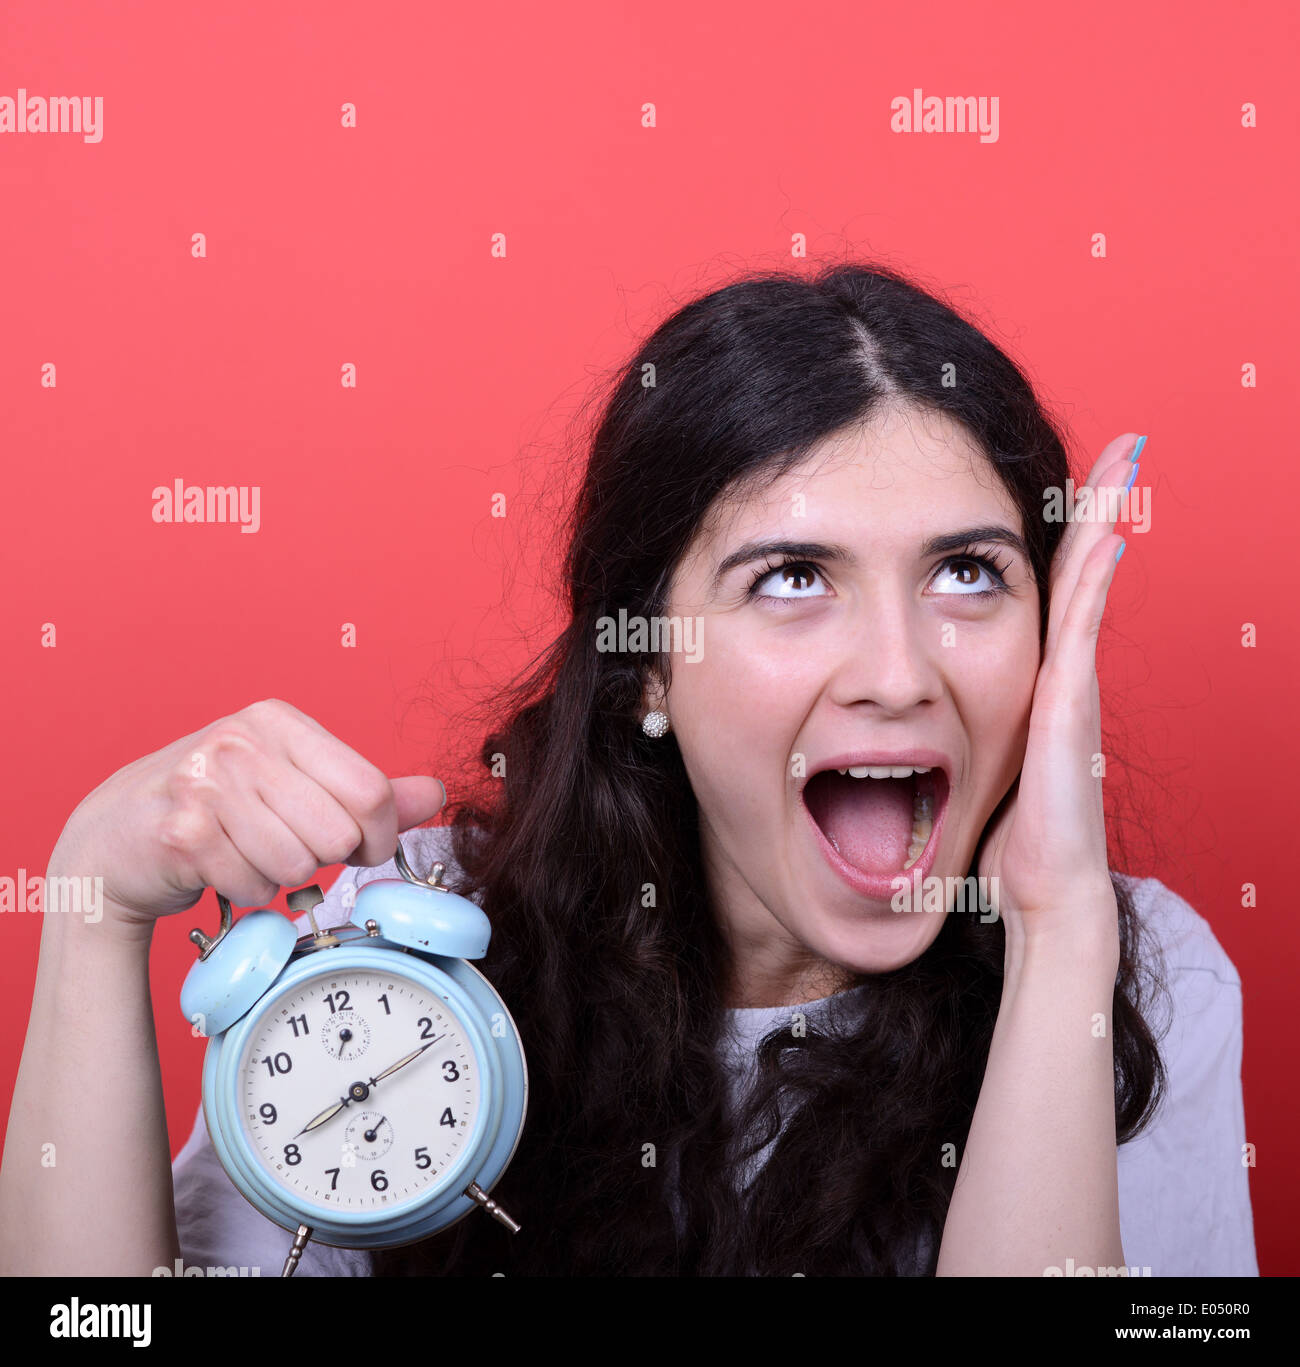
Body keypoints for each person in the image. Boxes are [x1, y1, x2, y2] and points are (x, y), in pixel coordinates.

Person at [0, 262, 1256, 1276]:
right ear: (647, 663)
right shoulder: (418, 959)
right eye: (794, 578)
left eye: (968, 571)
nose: (898, 669)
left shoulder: (1136, 973)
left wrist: (1055, 930)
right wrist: (92, 907)